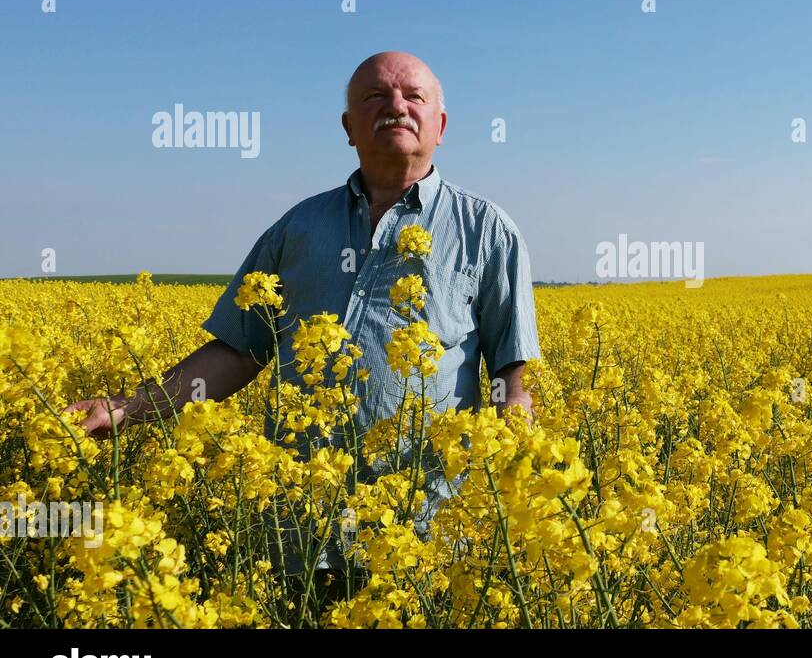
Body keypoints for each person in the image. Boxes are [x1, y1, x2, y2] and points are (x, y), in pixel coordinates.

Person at [61, 50, 541, 575]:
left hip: (426, 529)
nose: (396, 107)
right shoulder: (298, 228)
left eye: (414, 96)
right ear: (348, 127)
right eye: (375, 96)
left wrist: (511, 487)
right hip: (301, 529)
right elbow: (237, 350)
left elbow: (512, 371)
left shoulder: (487, 231)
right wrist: (132, 406)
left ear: (441, 124)